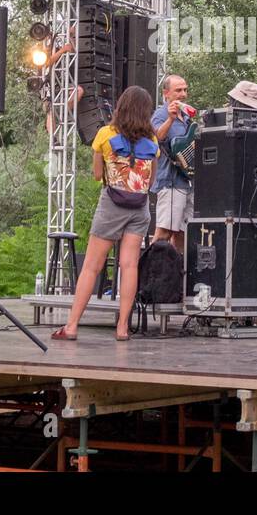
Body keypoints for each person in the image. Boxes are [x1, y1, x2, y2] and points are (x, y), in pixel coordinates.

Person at [53, 85, 157, 343]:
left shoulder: (104, 134)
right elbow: (151, 181)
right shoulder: (152, 141)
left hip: (112, 204)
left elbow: (98, 175)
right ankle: (122, 328)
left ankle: (72, 326)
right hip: (140, 206)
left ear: (121, 106)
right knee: (130, 265)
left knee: (91, 266)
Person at [149, 75, 192, 254]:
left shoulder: (187, 117)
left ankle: (177, 276)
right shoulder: (160, 114)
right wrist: (170, 119)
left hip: (187, 181)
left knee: (183, 233)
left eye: (185, 90)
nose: (183, 94)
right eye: (178, 90)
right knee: (164, 232)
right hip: (170, 182)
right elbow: (157, 137)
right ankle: (149, 273)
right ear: (166, 93)